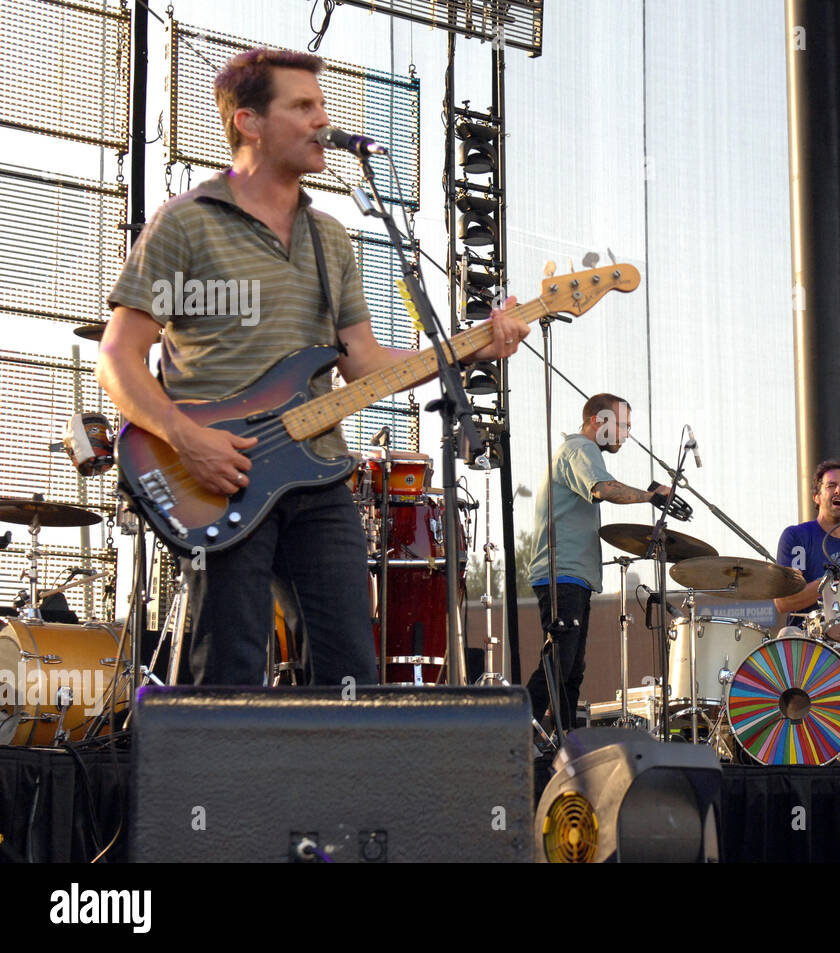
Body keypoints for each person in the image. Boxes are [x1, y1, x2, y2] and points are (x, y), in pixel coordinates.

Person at [96, 49, 529, 686]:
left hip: (320, 474)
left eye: (322, 106)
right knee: (232, 666)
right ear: (249, 122)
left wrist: (469, 347)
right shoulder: (185, 224)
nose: (322, 120)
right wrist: (186, 438)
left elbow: (367, 368)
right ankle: (218, 789)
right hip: (219, 473)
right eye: (303, 106)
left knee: (353, 663)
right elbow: (117, 355)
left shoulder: (331, 238)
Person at [523, 393, 678, 732]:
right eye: (622, 426)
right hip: (561, 573)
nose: (625, 434)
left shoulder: (576, 451)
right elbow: (603, 488)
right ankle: (514, 732)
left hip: (571, 576)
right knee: (559, 664)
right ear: (599, 421)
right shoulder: (581, 448)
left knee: (570, 668)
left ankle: (562, 741)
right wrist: (652, 497)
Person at [773, 459, 840, 629]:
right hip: (808, 644)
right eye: (831, 485)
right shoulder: (796, 536)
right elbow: (784, 602)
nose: (838, 490)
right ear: (816, 497)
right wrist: (832, 580)